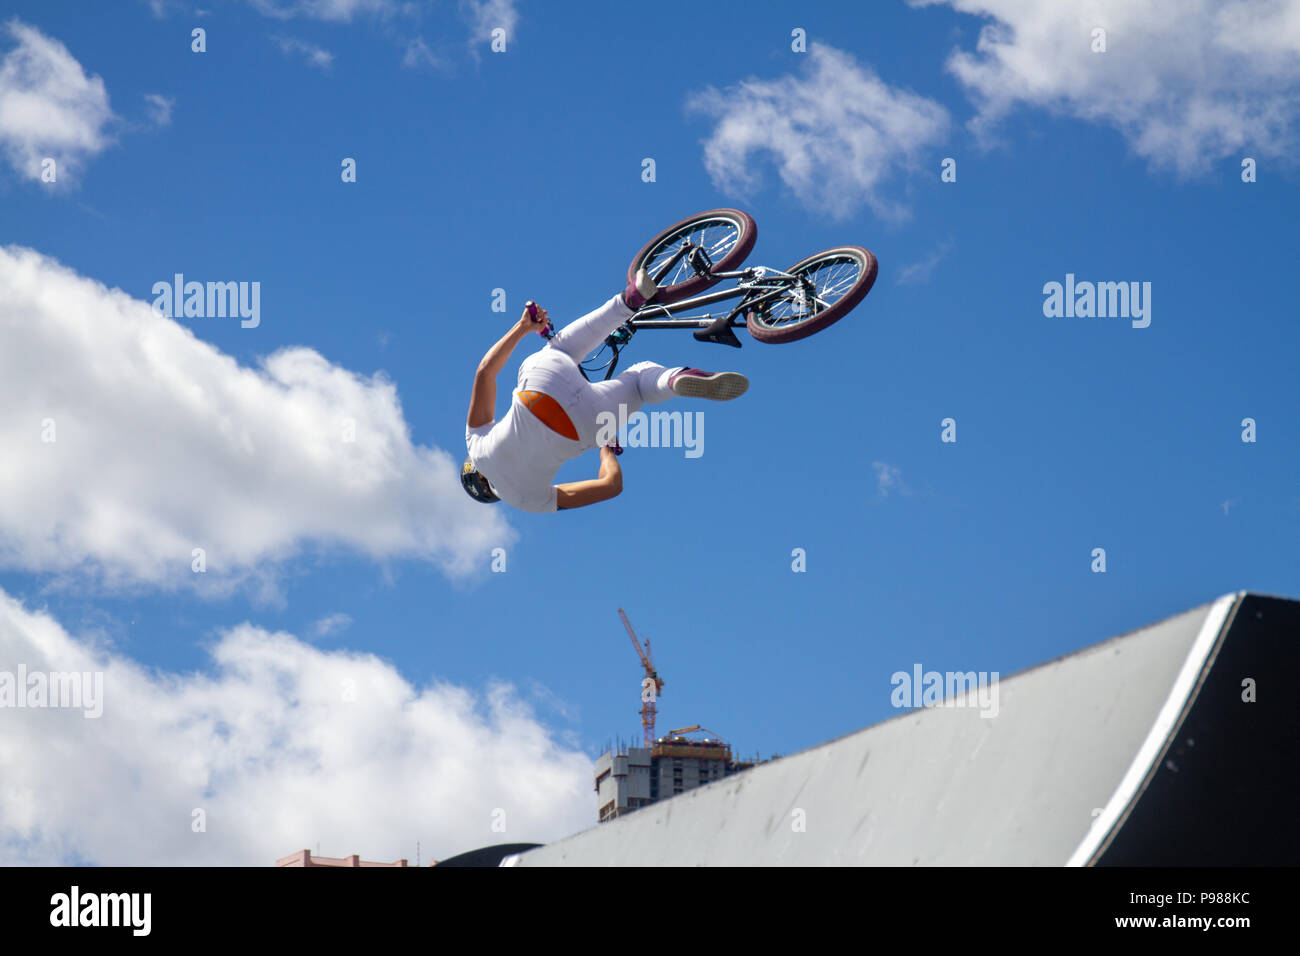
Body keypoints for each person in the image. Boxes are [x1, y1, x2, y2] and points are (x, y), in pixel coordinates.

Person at [462, 269, 748, 512]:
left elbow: (611, 486)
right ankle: (630, 300)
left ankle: (675, 379)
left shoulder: (525, 501)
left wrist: (606, 448)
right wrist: (523, 327)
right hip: (541, 386)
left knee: (638, 382)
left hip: (585, 428)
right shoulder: (476, 449)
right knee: (561, 348)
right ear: (474, 470)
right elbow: (485, 371)